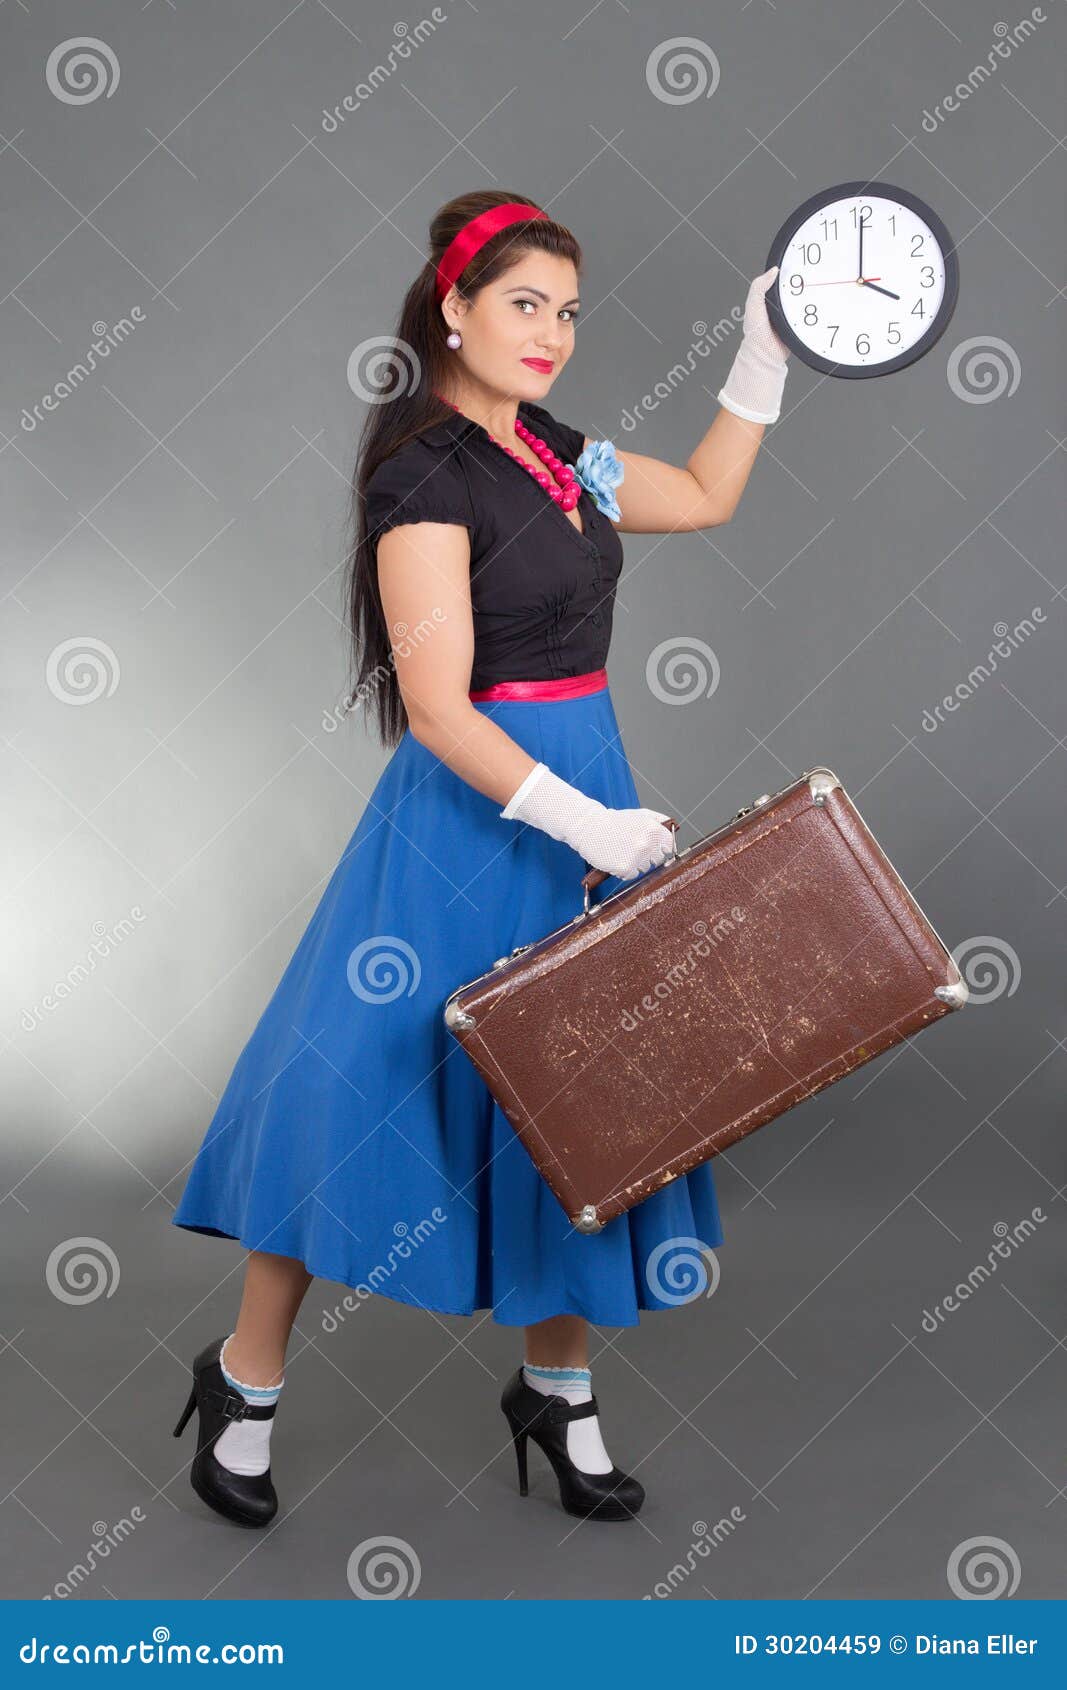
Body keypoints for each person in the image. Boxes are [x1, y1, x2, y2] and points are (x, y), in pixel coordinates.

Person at [169, 191, 790, 1529]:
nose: (551, 332)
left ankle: (556, 1395)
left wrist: (767, 353)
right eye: (524, 304)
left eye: (568, 311)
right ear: (451, 307)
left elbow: (706, 493)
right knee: (342, 1086)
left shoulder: (556, 451)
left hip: (589, 792)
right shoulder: (423, 474)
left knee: (586, 1094)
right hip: (478, 818)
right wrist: (587, 827)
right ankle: (245, 1381)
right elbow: (442, 706)